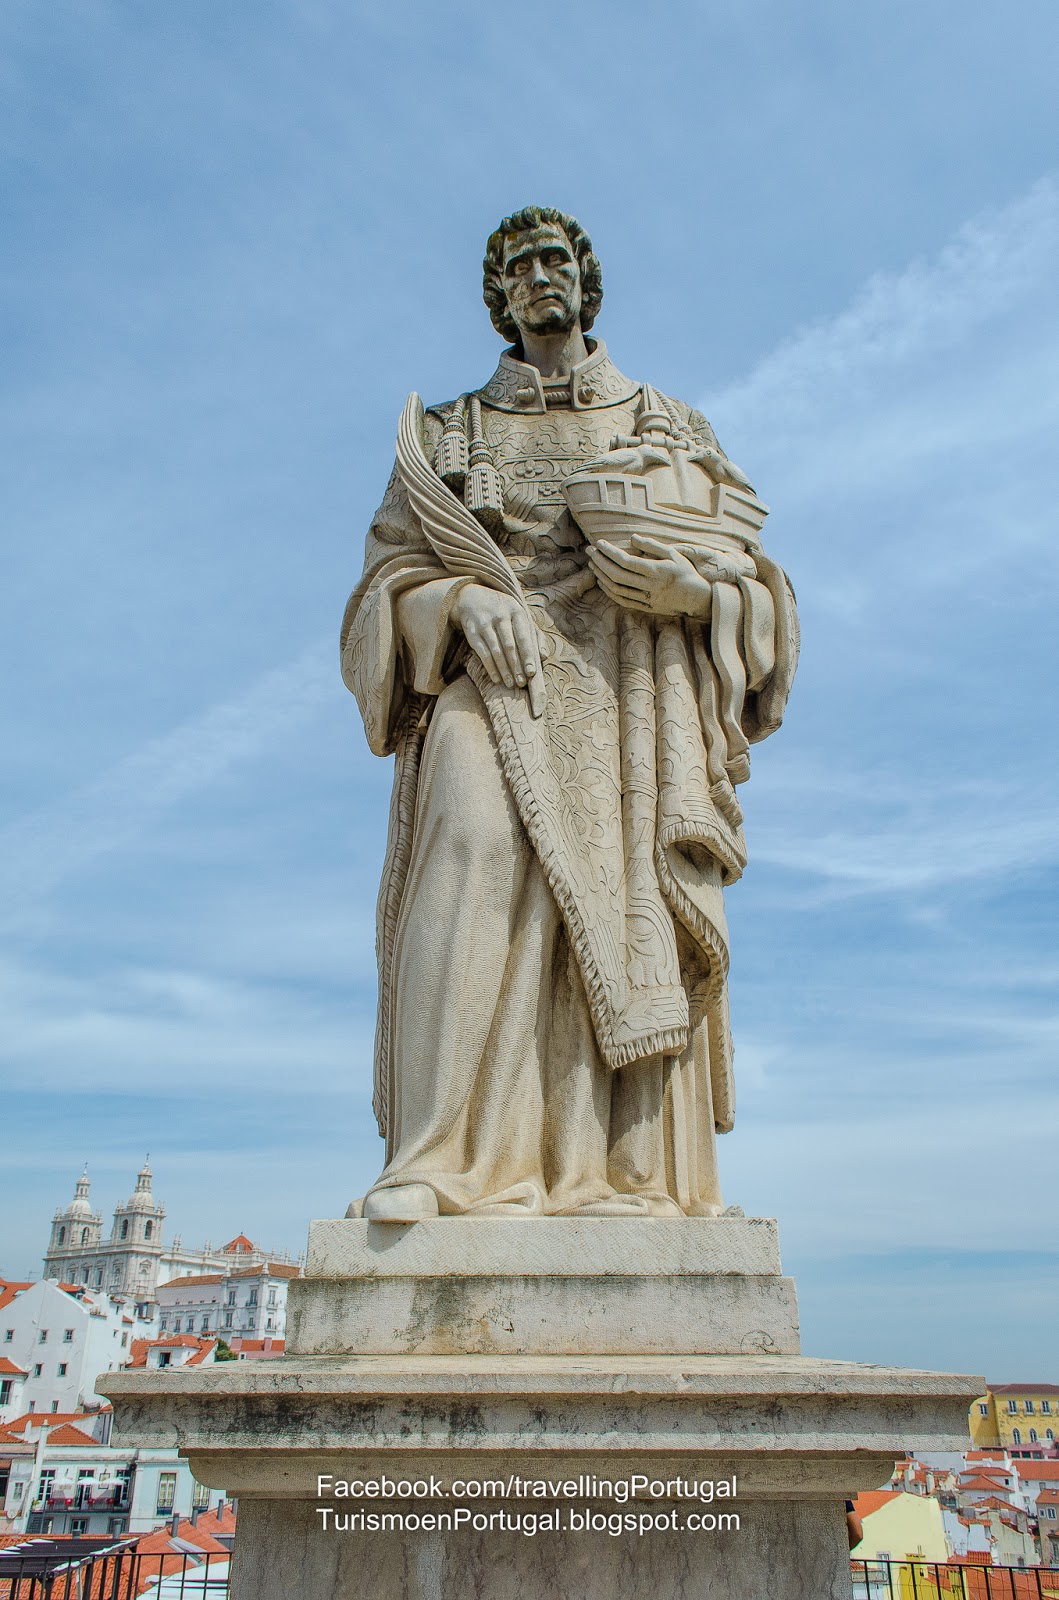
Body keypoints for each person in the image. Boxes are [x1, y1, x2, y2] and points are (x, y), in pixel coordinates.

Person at [341, 206, 797, 1221]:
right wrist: (457, 601)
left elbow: (758, 582)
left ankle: (619, 1173)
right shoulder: (446, 433)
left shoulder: (668, 424)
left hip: (637, 693)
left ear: (587, 282)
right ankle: (441, 1156)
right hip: (493, 683)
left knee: (631, 903)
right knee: (467, 855)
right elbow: (376, 593)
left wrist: (693, 597)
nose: (538, 277)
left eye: (555, 261)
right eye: (515, 269)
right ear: (499, 300)